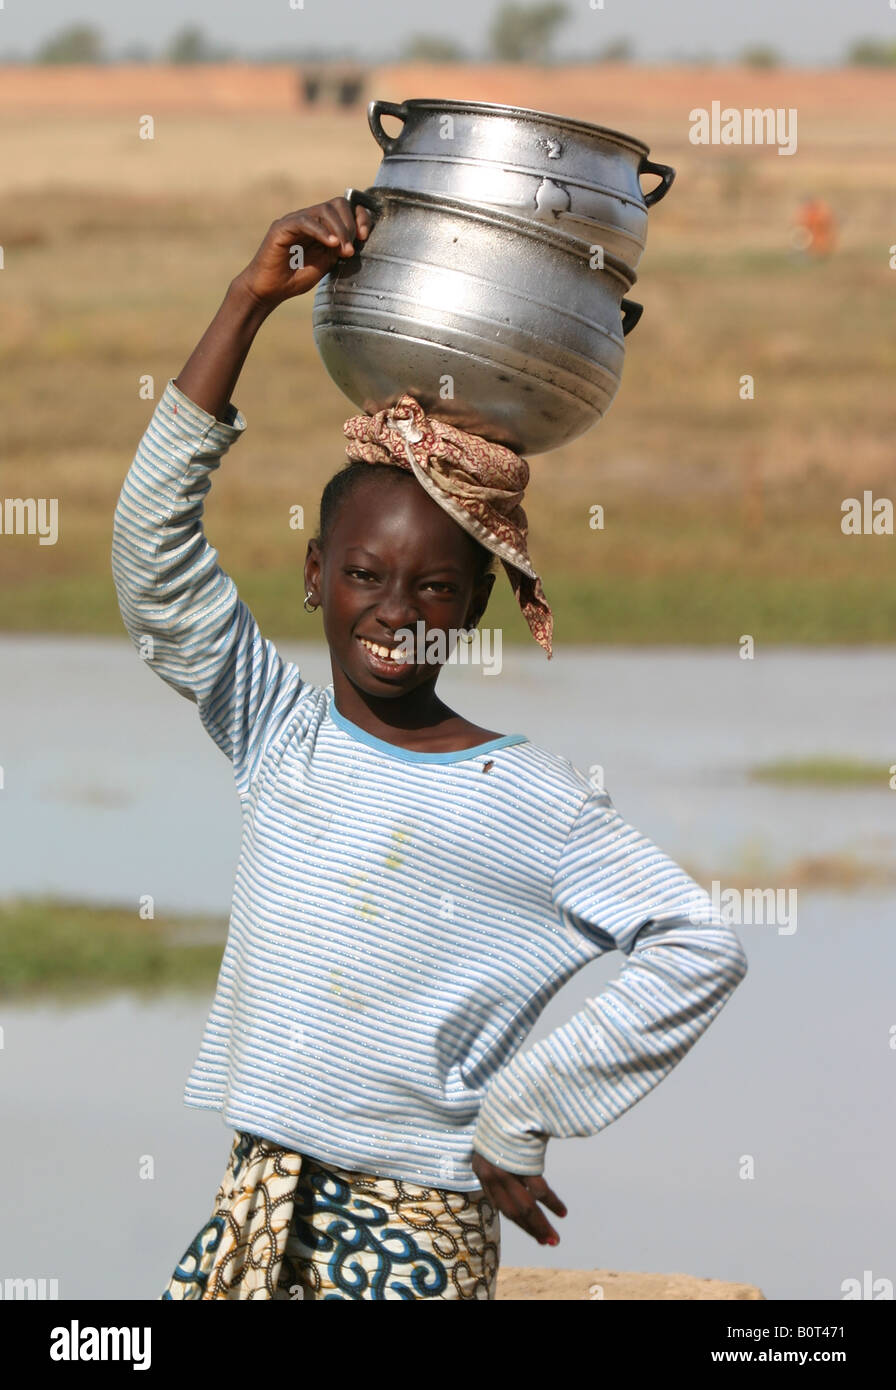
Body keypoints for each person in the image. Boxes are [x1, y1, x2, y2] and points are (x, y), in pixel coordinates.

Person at [111, 196, 749, 1301]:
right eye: (363, 576)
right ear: (314, 574)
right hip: (258, 1203)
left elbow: (696, 941)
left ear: (475, 603)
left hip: (415, 1225)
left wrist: (524, 1109)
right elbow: (152, 557)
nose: (393, 612)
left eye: (434, 587)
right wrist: (247, 301)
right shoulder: (277, 729)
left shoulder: (527, 795)